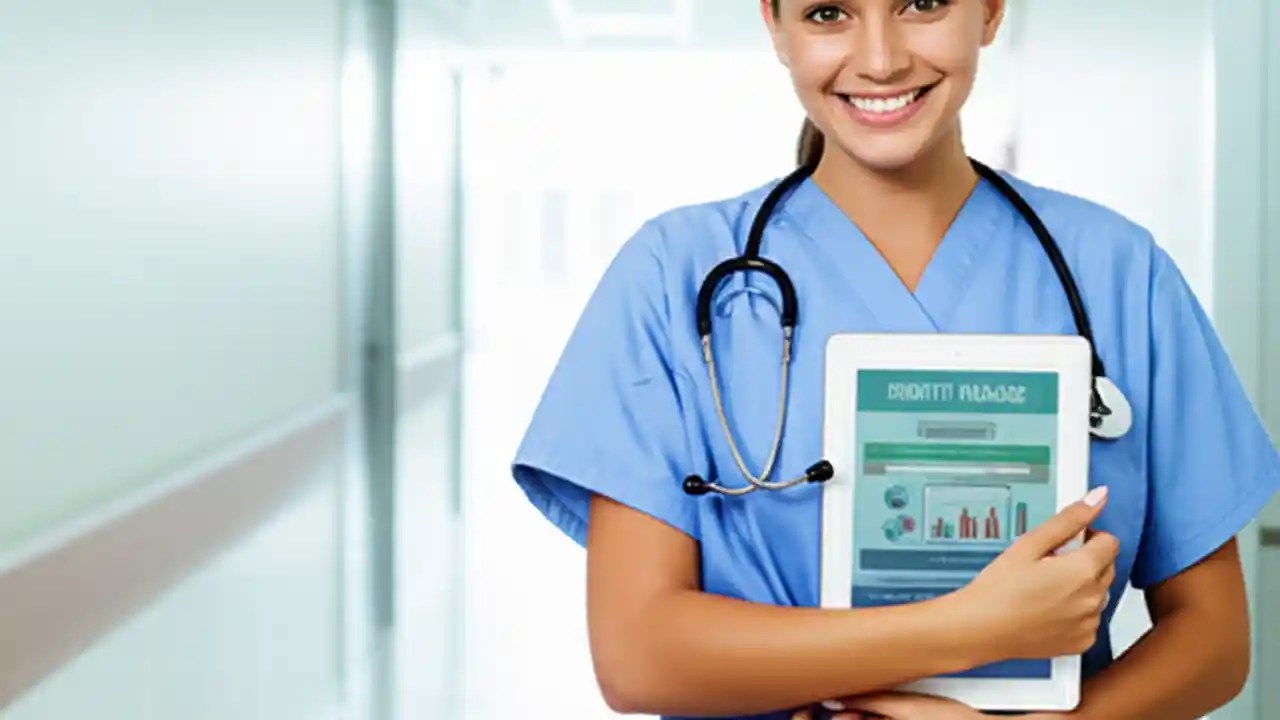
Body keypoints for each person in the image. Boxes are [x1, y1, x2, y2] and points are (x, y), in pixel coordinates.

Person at [510, 1, 1280, 718]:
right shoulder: (673, 273)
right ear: (775, 24)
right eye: (828, 13)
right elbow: (639, 657)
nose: (880, 60)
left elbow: (1213, 639)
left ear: (990, 11)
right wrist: (972, 628)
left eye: (922, 2)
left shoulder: (1117, 271)